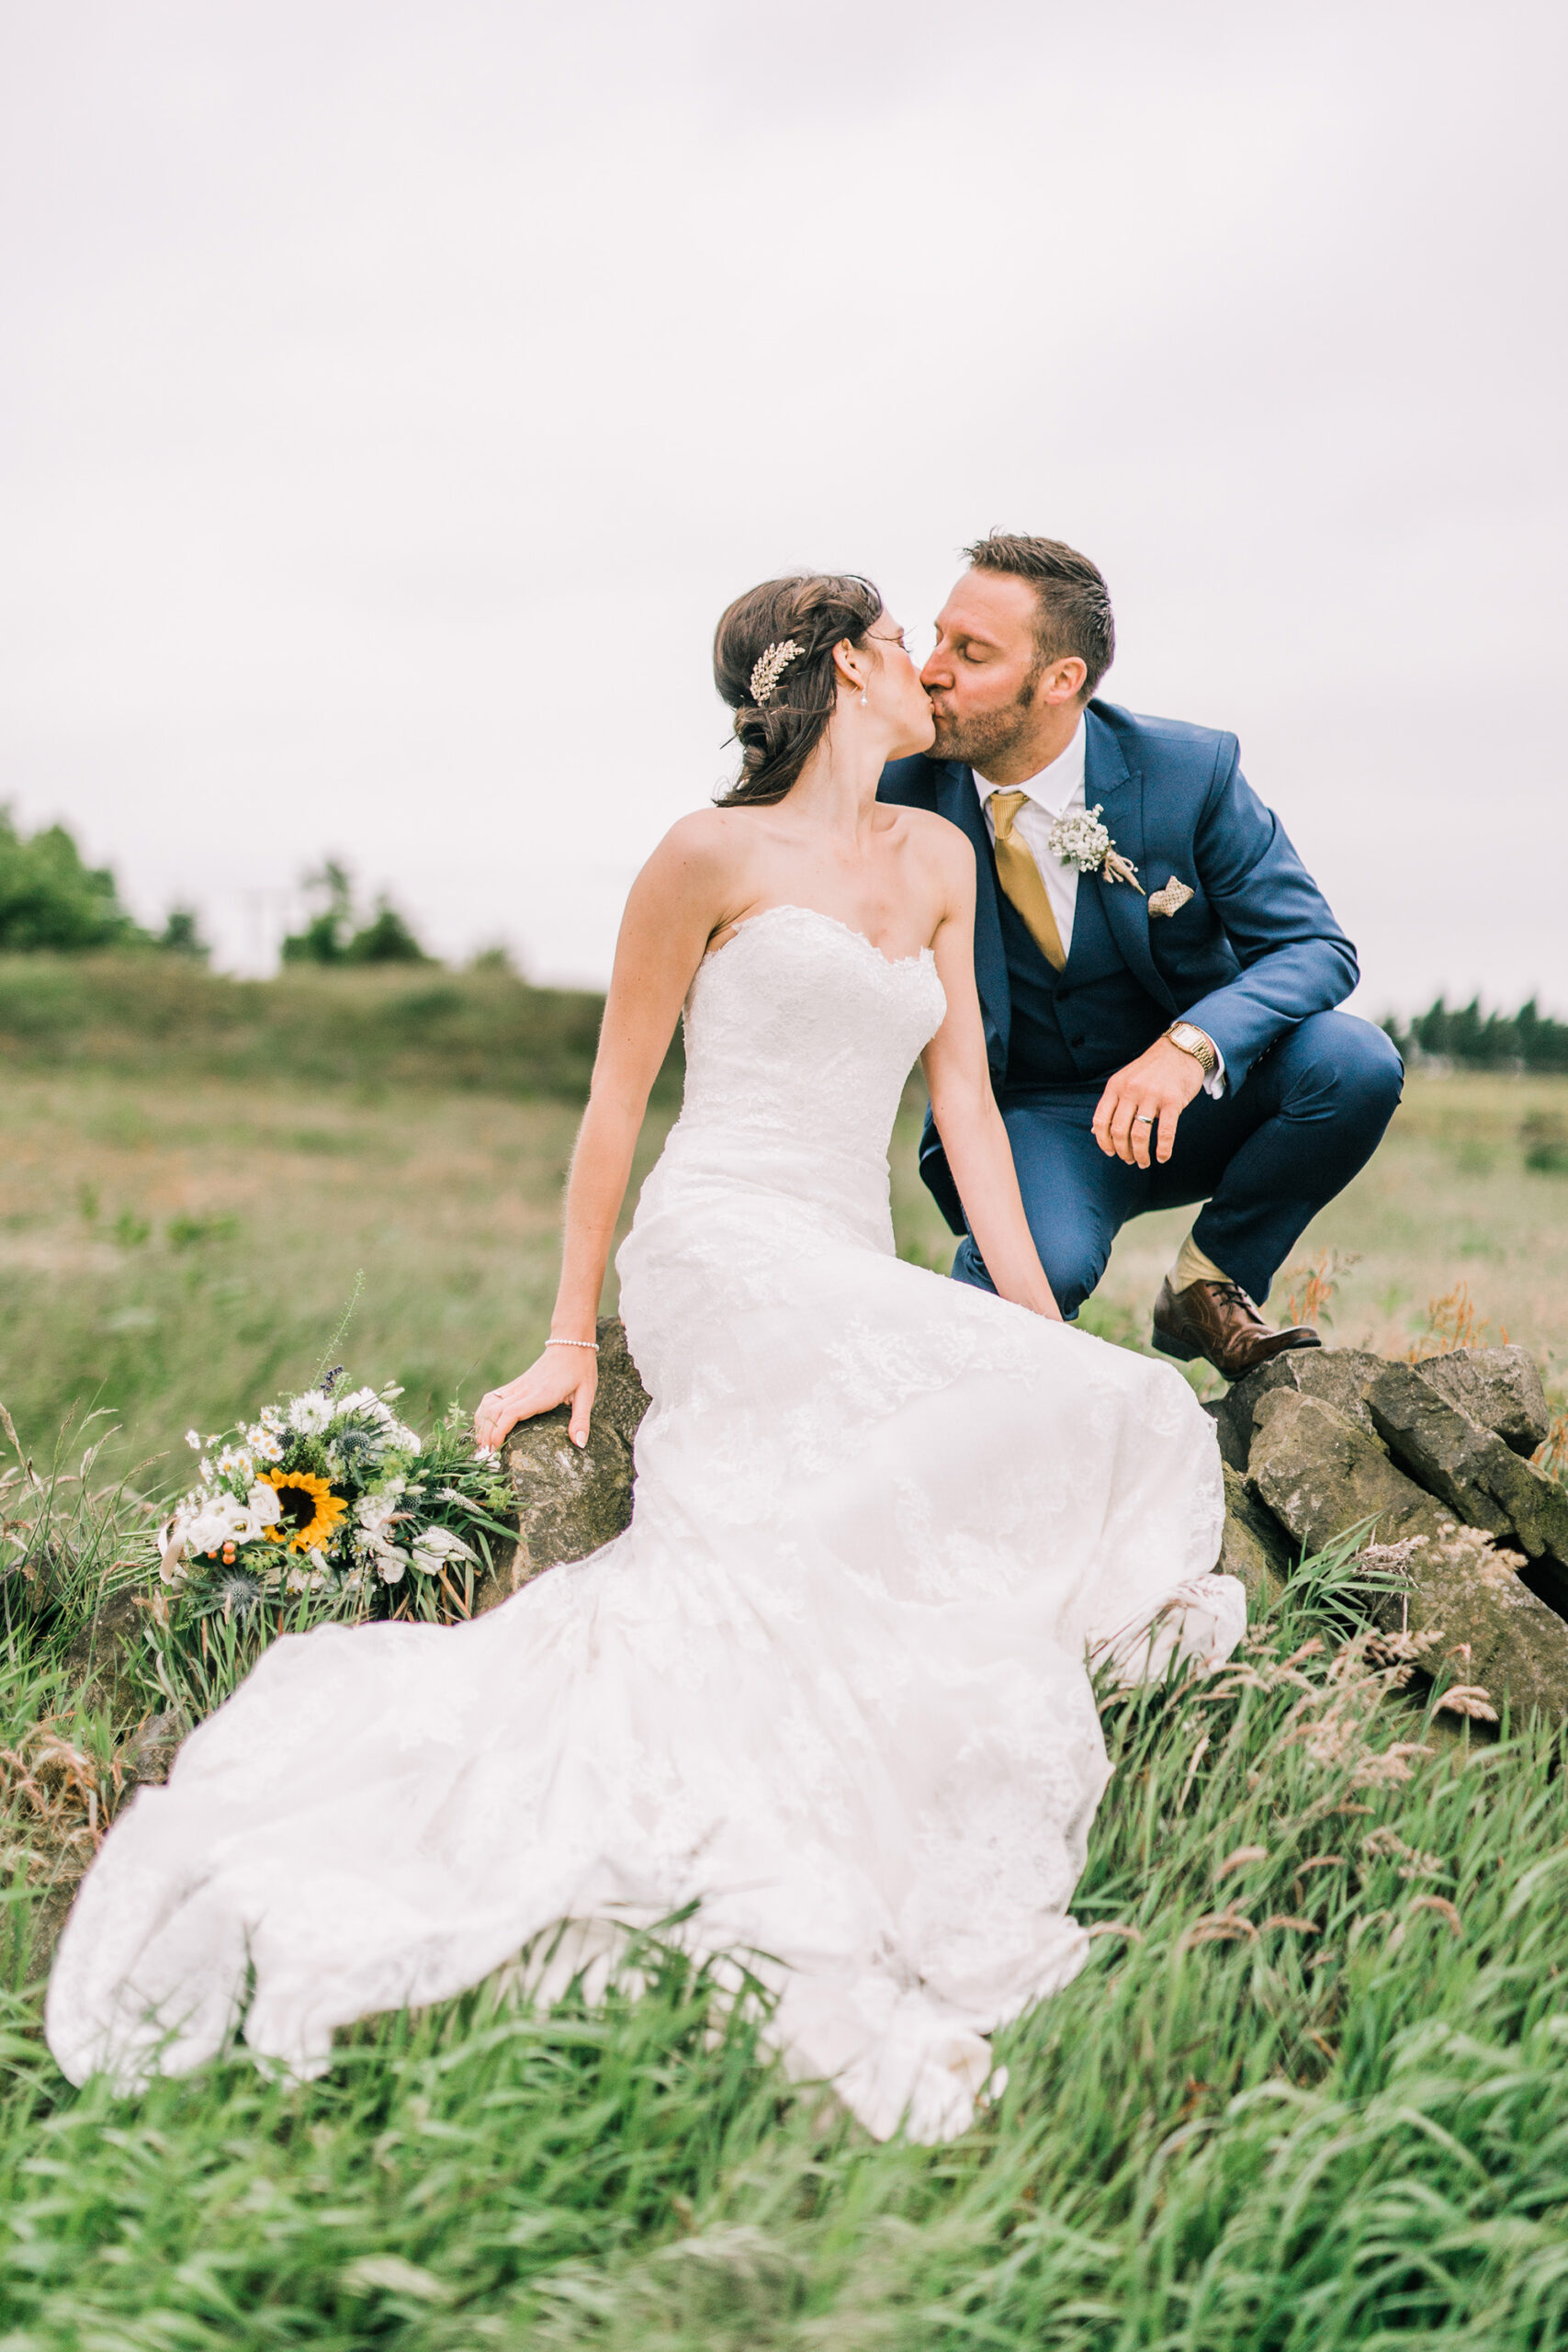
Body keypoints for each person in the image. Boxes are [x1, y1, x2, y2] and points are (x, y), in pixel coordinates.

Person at [47, 573, 1243, 2144]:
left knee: (1119, 1396)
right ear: (829, 675)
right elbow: (615, 1105)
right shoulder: (704, 853)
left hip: (843, 1251)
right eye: (898, 644)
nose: (925, 670)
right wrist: (567, 1339)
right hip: (722, 1240)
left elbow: (960, 1108)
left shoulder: (937, 855)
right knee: (770, 1532)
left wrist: (1032, 1331)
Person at [880, 534, 1404, 1378]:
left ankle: (1210, 1283)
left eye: (969, 652)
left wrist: (1188, 1047)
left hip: (1188, 1107)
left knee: (1353, 1061)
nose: (930, 669)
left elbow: (1313, 947)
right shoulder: (891, 786)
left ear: (1060, 681)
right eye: (934, 638)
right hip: (1030, 1116)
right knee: (1025, 1288)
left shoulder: (1185, 771)